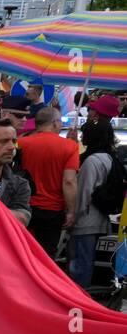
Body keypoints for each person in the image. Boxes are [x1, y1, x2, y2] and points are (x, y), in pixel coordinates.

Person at [17, 106, 80, 257]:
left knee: (21, 252)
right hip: (52, 210)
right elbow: (69, 181)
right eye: (60, 122)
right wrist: (71, 211)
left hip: (24, 206)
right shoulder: (70, 147)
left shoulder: (21, 143)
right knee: (45, 256)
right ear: (54, 123)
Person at [68, 118, 118, 290]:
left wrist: (73, 216)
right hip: (100, 218)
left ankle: (78, 300)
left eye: (85, 133)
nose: (82, 136)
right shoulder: (110, 157)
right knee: (86, 260)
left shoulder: (92, 161)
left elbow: (84, 193)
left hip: (86, 220)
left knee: (79, 263)